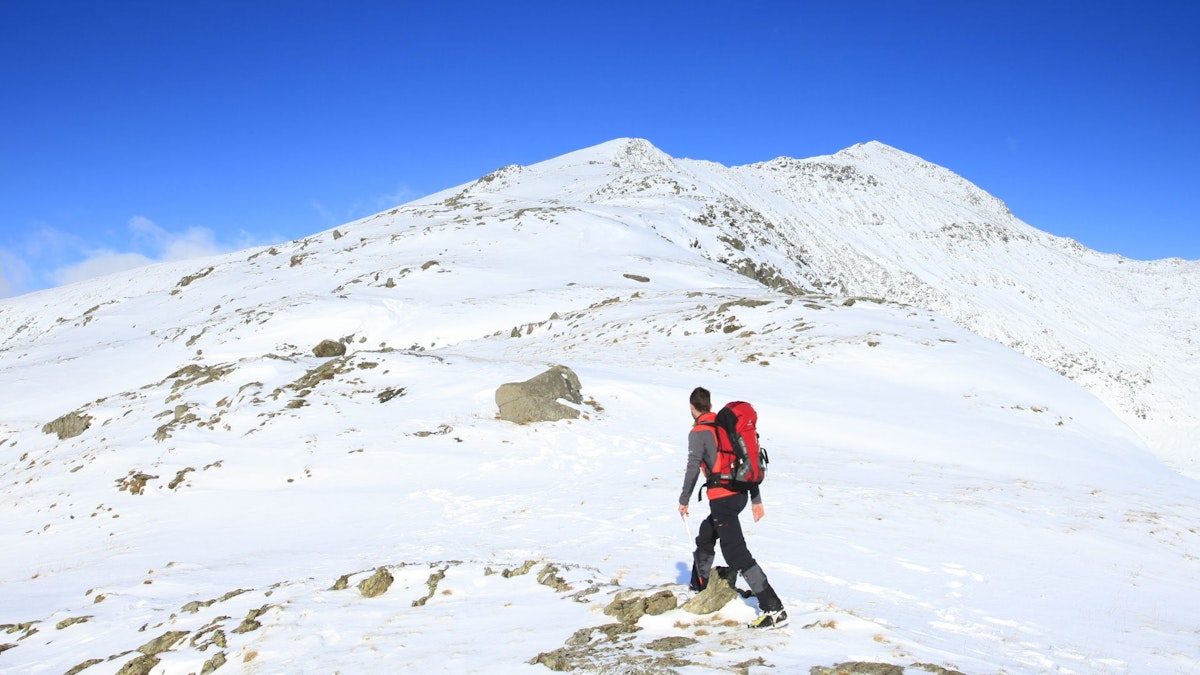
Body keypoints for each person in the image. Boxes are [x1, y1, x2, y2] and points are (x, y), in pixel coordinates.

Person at [678, 386, 787, 629]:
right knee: (706, 534)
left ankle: (773, 607)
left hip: (723, 499)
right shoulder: (724, 424)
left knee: (735, 552)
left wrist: (684, 499)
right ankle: (699, 586)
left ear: (692, 408)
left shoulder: (699, 432)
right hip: (739, 495)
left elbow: (693, 467)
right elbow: (744, 459)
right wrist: (756, 499)